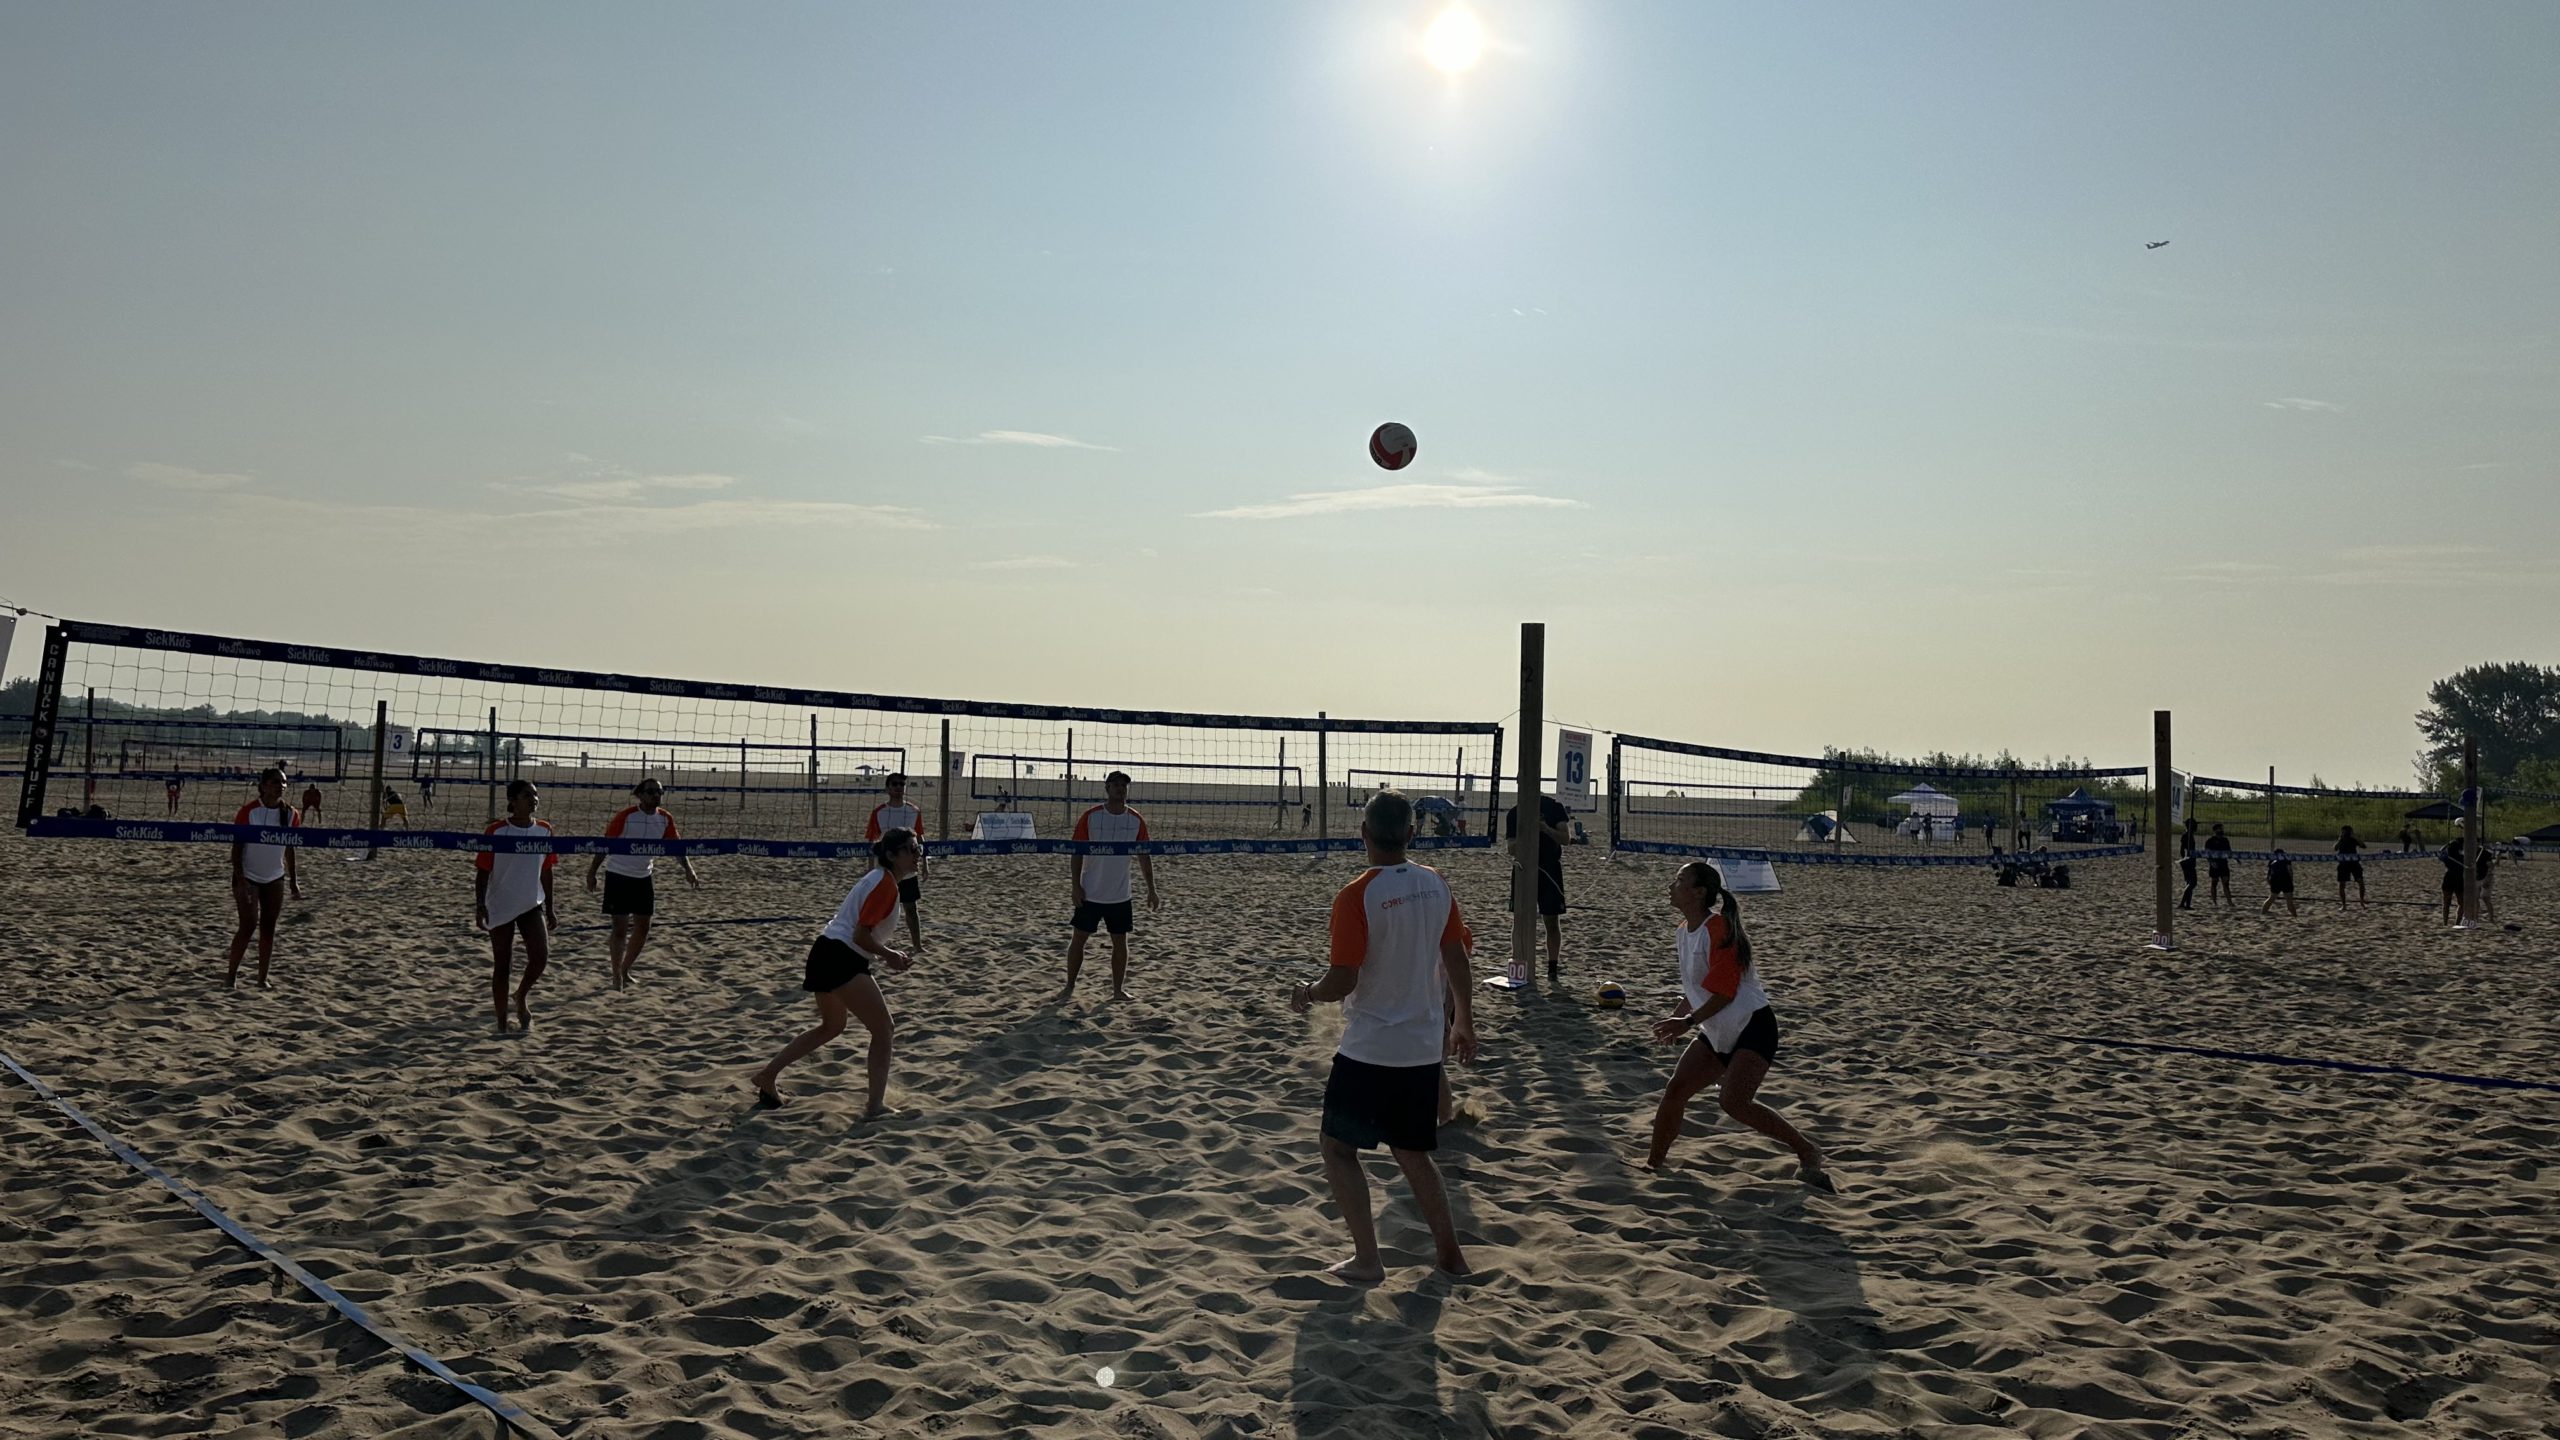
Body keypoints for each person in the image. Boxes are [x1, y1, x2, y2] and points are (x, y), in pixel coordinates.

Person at [1287, 790, 1478, 1281]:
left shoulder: (1356, 895)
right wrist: (1464, 1021)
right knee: (1414, 1155)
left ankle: (1369, 1260)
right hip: (1420, 1047)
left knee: (1336, 1148)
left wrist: (1307, 993)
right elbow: (1458, 959)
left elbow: (1343, 980)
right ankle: (1450, 1257)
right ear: (1413, 834)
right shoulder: (1435, 883)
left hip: (1371, 1049)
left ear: (1364, 834)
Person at [1646, 859, 1835, 1189]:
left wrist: (1687, 1022)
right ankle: (1654, 1164)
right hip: (1716, 1027)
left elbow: (1724, 991)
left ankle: (1807, 1152)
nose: (1670, 886)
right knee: (1676, 1090)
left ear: (1699, 892)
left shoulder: (1718, 928)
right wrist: (1678, 1016)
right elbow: (1697, 987)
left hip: (1752, 1025)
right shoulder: (1683, 930)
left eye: (1678, 881)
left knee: (1734, 1102)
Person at [750, 828, 920, 1117]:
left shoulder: (882, 879)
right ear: (892, 855)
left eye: (919, 848)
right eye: (911, 849)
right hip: (841, 956)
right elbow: (861, 936)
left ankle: (767, 1075)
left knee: (832, 1027)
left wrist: (885, 953)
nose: (918, 854)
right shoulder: (884, 885)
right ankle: (875, 1105)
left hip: (826, 952)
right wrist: (890, 955)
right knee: (884, 1029)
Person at [585, 777, 703, 991]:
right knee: (619, 928)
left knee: (643, 927)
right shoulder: (626, 816)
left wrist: (689, 869)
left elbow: (676, 847)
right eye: (651, 792)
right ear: (640, 795)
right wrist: (592, 871)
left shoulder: (665, 818)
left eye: (659, 792)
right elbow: (605, 844)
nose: (656, 795)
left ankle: (625, 969)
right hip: (618, 875)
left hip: (643, 877)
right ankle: (616, 975)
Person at [1058, 771, 1159, 1002]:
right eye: (1115, 784)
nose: (1120, 788)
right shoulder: (1091, 816)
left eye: (1123, 785)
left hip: (1120, 895)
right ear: (1107, 788)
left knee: (1120, 943)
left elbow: (1144, 856)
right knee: (1078, 940)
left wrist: (1151, 889)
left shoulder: (1135, 819)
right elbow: (1077, 853)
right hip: (1091, 892)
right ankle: (1069, 987)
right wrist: (1075, 886)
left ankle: (1117, 991)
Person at [475, 780, 558, 1035]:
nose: (533, 799)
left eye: (535, 795)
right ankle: (501, 1021)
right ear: (512, 801)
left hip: (531, 902)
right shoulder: (496, 831)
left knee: (540, 957)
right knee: (503, 965)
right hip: (500, 903)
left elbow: (547, 870)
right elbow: (483, 870)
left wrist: (551, 907)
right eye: (526, 795)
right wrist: (479, 904)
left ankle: (520, 995)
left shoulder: (544, 830)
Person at [225, 768, 302, 988]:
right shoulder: (249, 812)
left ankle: (262, 979)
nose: (281, 786)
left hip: (275, 877)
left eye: (284, 783)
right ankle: (230, 976)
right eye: (276, 782)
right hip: (248, 875)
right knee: (248, 926)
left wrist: (294, 881)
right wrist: (241, 880)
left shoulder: (291, 814)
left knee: (269, 927)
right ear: (264, 785)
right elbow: (236, 849)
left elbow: (290, 847)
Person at [1504, 791, 1572, 979]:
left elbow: (1565, 839)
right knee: (1520, 920)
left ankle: (1552, 968)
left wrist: (1545, 829)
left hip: (1549, 869)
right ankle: (1518, 963)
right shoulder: (1515, 813)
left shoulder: (1553, 808)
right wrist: (1525, 835)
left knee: (1551, 920)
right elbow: (1511, 848)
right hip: (1523, 869)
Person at [865, 772, 928, 956]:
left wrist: (925, 863)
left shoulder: (913, 811)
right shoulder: (879, 812)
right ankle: (872, 945)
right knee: (878, 909)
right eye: (894, 784)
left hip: (908, 869)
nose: (899, 787)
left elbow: (920, 838)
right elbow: (872, 841)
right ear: (888, 788)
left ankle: (917, 946)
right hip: (886, 869)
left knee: (911, 908)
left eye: (901, 784)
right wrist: (870, 869)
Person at [2332, 825, 2367, 909]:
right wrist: (2340, 839)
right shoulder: (2341, 840)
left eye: (2347, 832)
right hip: (2343, 864)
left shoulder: (2353, 839)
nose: (2346, 833)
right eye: (2344, 831)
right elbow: (2335, 848)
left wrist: (2355, 837)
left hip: (2354, 863)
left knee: (2361, 882)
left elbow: (2363, 846)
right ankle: (2343, 905)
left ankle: (2362, 902)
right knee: (2342, 884)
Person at [2439, 837, 2469, 925]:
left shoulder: (2447, 858)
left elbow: (2440, 852)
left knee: (2446, 903)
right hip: (2459, 880)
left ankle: (2445, 923)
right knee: (2461, 903)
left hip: (2448, 879)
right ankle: (2457, 923)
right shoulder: (2463, 858)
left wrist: (2447, 844)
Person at [2204, 822, 2234, 908]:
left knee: (2226, 883)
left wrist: (2236, 857)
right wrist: (2211, 862)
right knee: (2214, 883)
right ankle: (2215, 902)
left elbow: (2229, 851)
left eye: (2222, 828)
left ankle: (2230, 902)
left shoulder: (2225, 840)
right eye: (2220, 828)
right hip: (2214, 865)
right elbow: (2207, 854)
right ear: (2215, 830)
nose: (2222, 830)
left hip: (2223, 864)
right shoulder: (2210, 841)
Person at [2262, 849, 2297, 917]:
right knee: (2289, 901)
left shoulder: (2272, 860)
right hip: (2285, 880)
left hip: (2275, 880)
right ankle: (2295, 916)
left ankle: (2262, 913)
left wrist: (2269, 882)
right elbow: (2289, 870)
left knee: (2271, 898)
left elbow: (2269, 874)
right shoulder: (2286, 859)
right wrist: (2291, 880)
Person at [2178, 816, 2199, 910]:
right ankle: (2183, 904)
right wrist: (2185, 859)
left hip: (2190, 860)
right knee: (2192, 883)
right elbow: (2182, 849)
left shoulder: (2190, 835)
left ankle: (2186, 905)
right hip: (2188, 861)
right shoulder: (2186, 835)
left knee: (2190, 882)